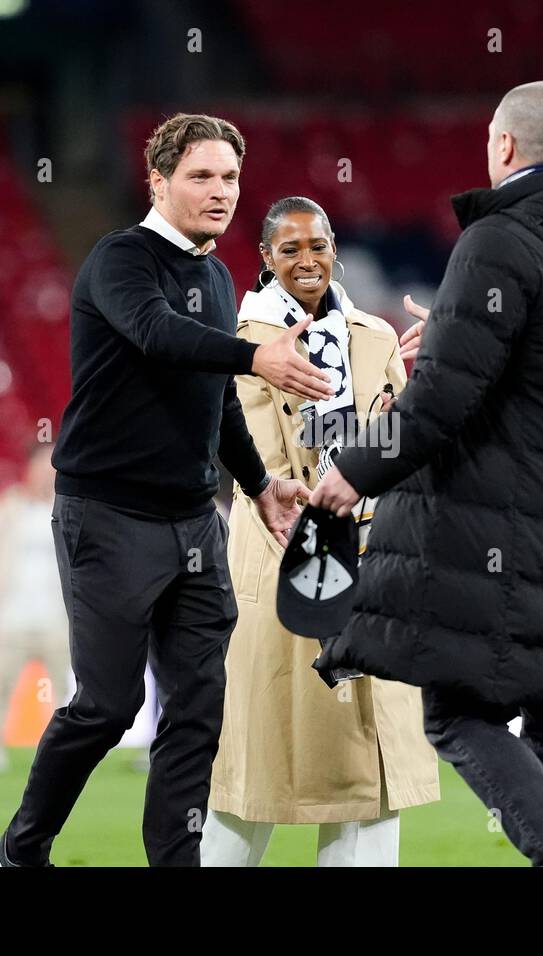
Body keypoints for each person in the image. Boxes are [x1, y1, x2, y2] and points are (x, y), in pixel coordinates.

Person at [311, 81, 543, 866]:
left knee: (456, 713)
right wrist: (456, 336)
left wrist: (356, 470)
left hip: (500, 523)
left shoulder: (498, 238)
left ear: (504, 146)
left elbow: (440, 402)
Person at [0, 113, 334, 868]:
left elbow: (211, 397)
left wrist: (257, 484)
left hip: (192, 524)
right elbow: (156, 335)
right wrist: (255, 356)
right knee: (108, 706)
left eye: (230, 178)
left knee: (196, 708)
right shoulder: (120, 261)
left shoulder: (216, 277)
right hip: (108, 514)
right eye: (202, 176)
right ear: (158, 180)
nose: (221, 192)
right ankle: (23, 847)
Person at [201, 197, 440, 867]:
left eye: (318, 245)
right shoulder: (241, 340)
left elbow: (397, 444)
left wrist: (423, 385)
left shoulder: (374, 335)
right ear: (266, 260)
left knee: (370, 783)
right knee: (256, 776)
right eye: (289, 249)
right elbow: (258, 461)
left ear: (335, 247)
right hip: (284, 561)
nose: (306, 259)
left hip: (369, 565)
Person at [0, 442, 71, 775]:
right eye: (42, 464)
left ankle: (62, 753)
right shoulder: (4, 510)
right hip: (11, 618)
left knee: (64, 692)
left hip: (57, 619)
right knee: (0, 688)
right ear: (29, 467)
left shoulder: (68, 510)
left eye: (53, 465)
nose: (48, 472)